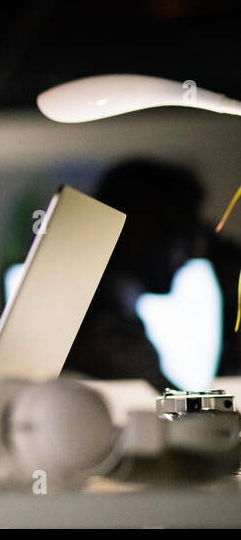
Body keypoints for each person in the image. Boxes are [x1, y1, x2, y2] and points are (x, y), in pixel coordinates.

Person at [64, 159, 205, 391]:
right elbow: (174, 412)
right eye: (184, 234)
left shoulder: (100, 315)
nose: (190, 254)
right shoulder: (104, 333)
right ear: (144, 230)